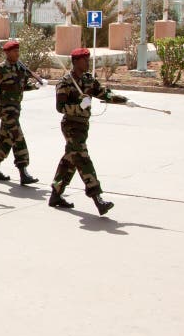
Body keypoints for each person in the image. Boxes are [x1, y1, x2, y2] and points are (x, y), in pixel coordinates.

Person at [49, 47, 129, 215]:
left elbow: (102, 93)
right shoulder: (65, 82)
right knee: (83, 159)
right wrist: (79, 107)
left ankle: (56, 193)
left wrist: (122, 100)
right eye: (85, 60)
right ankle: (97, 197)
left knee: (70, 160)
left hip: (83, 126)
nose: (88, 63)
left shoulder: (88, 79)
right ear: (76, 62)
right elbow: (60, 107)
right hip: (71, 126)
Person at [0, 40, 41, 186]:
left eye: (18, 51)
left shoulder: (20, 68)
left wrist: (35, 86)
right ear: (7, 53)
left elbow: (22, 86)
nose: (17, 53)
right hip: (5, 109)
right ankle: (23, 171)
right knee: (18, 137)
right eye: (14, 51)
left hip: (16, 109)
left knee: (6, 138)